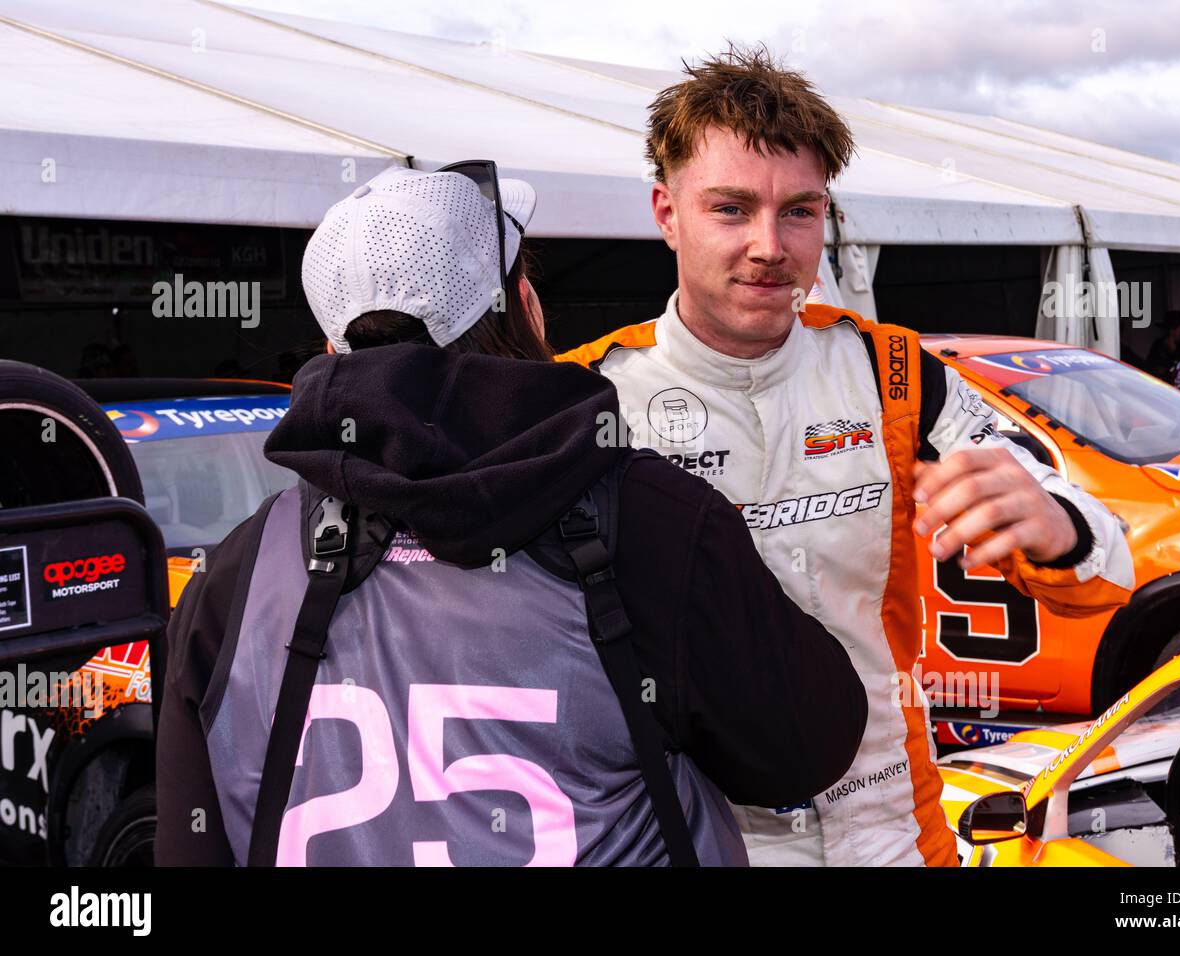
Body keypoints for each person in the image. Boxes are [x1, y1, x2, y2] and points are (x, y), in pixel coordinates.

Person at [155, 165, 867, 867]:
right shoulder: (656, 522)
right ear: (526, 307)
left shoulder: (239, 571)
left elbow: (190, 840)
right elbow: (806, 748)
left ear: (333, 350)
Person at [557, 46, 1135, 867]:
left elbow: (1106, 568)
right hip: (691, 835)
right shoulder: (583, 397)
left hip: (891, 828)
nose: (770, 245)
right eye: (730, 209)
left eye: (799, 211)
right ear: (665, 212)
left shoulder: (891, 371)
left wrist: (1056, 527)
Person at [1143, 310, 1180, 382]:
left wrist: (1173, 352)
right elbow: (1150, 366)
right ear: (1171, 330)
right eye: (1178, 329)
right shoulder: (1158, 345)